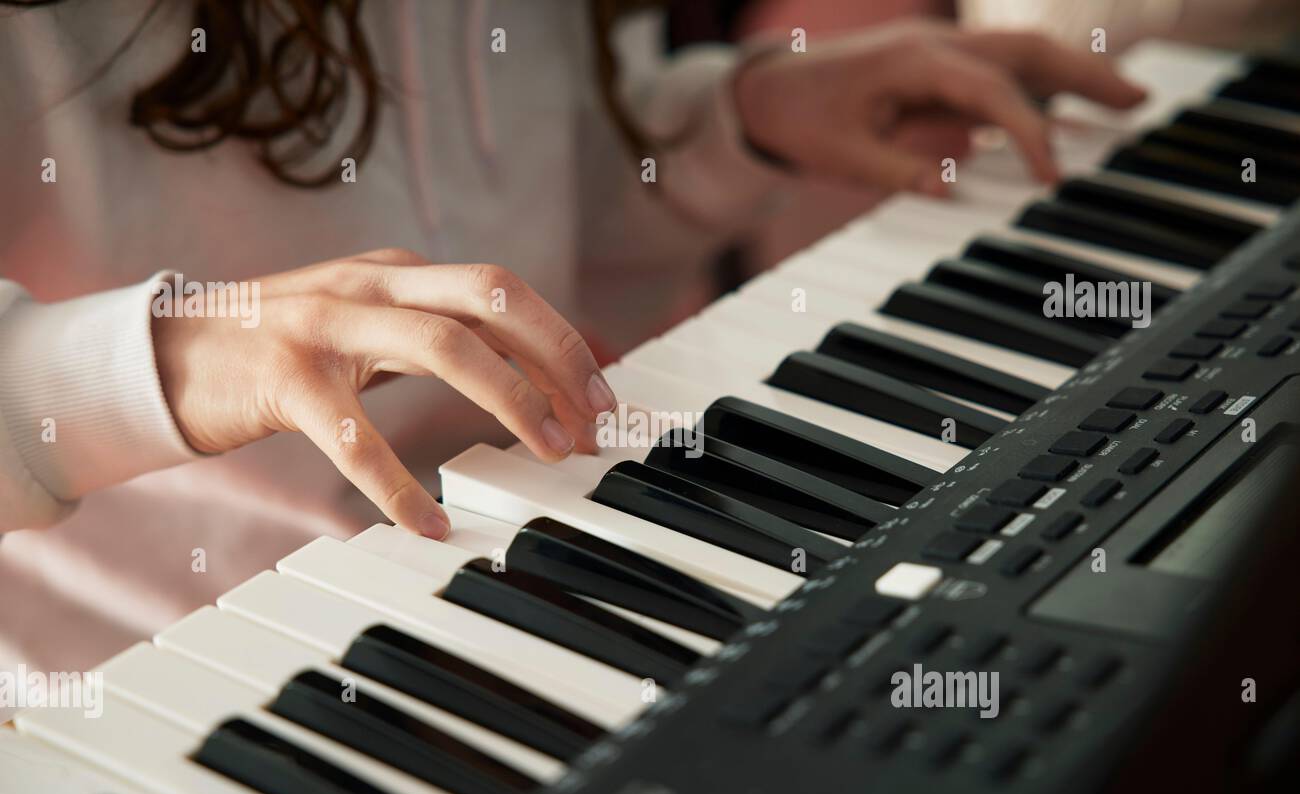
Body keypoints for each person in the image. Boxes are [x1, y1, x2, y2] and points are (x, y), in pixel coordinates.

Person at [0, 0, 1143, 679]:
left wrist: (732, 120)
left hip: (542, 538)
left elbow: (523, 194)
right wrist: (176, 359)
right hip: (178, 663)